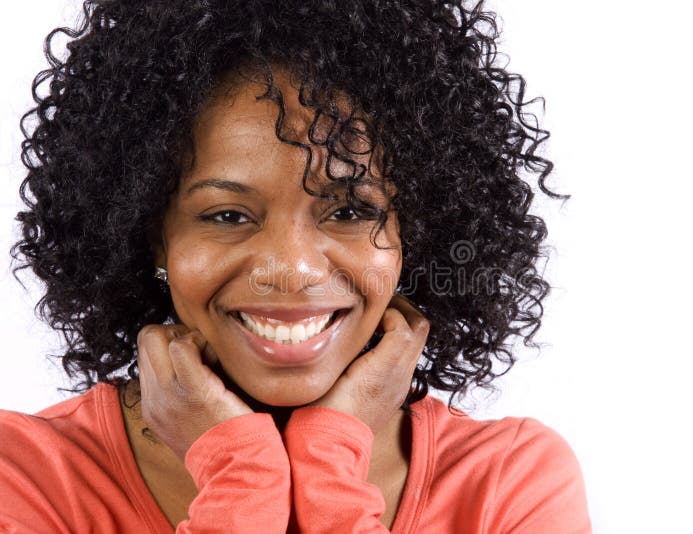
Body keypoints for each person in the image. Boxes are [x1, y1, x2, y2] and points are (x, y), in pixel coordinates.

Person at [0, 1, 591, 532]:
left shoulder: (508, 484)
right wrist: (241, 476)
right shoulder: (24, 478)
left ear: (419, 231)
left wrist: (330, 462)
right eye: (228, 216)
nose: (292, 269)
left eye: (351, 210)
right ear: (150, 238)